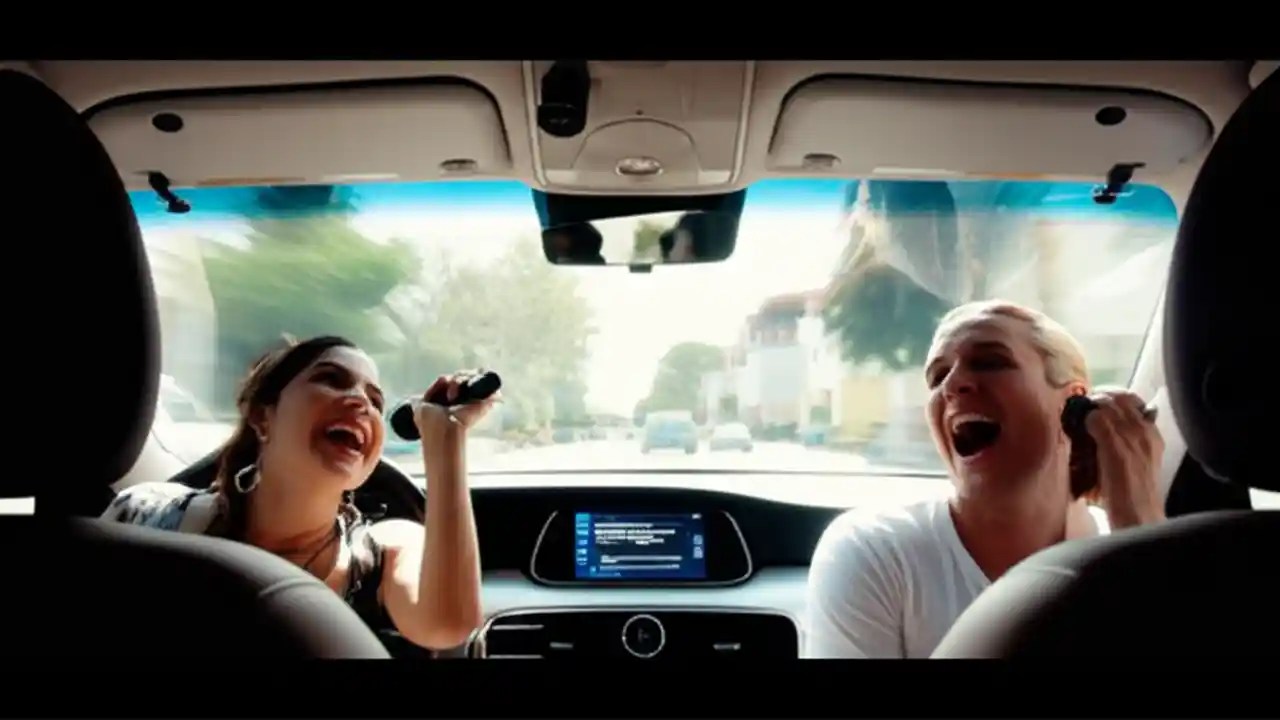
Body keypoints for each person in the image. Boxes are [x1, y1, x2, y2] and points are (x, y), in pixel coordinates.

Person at [803, 300, 1166, 658]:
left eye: (991, 362)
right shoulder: (878, 552)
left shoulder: (1127, 547)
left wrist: (1141, 531)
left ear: (1072, 406)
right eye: (937, 376)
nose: (952, 384)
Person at [102, 335, 494, 652]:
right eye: (330, 380)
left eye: (375, 401)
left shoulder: (388, 549)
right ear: (262, 416)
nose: (360, 402)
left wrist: (446, 435)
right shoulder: (145, 516)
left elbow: (448, 625)